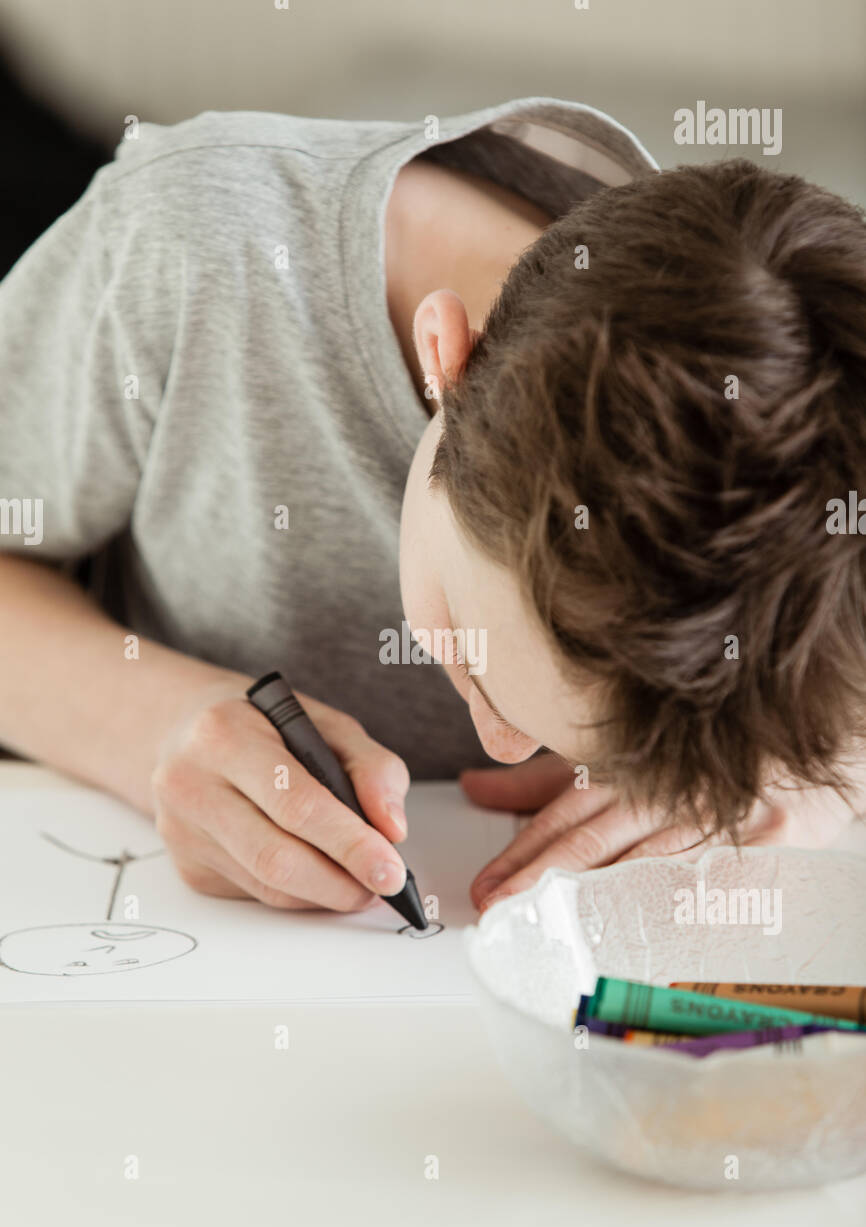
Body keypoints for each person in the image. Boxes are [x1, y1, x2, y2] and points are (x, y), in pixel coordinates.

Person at [1, 98, 864, 915]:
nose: (505, 746)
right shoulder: (189, 248)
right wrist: (149, 726)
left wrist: (819, 762)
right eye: (466, 642)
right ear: (446, 363)